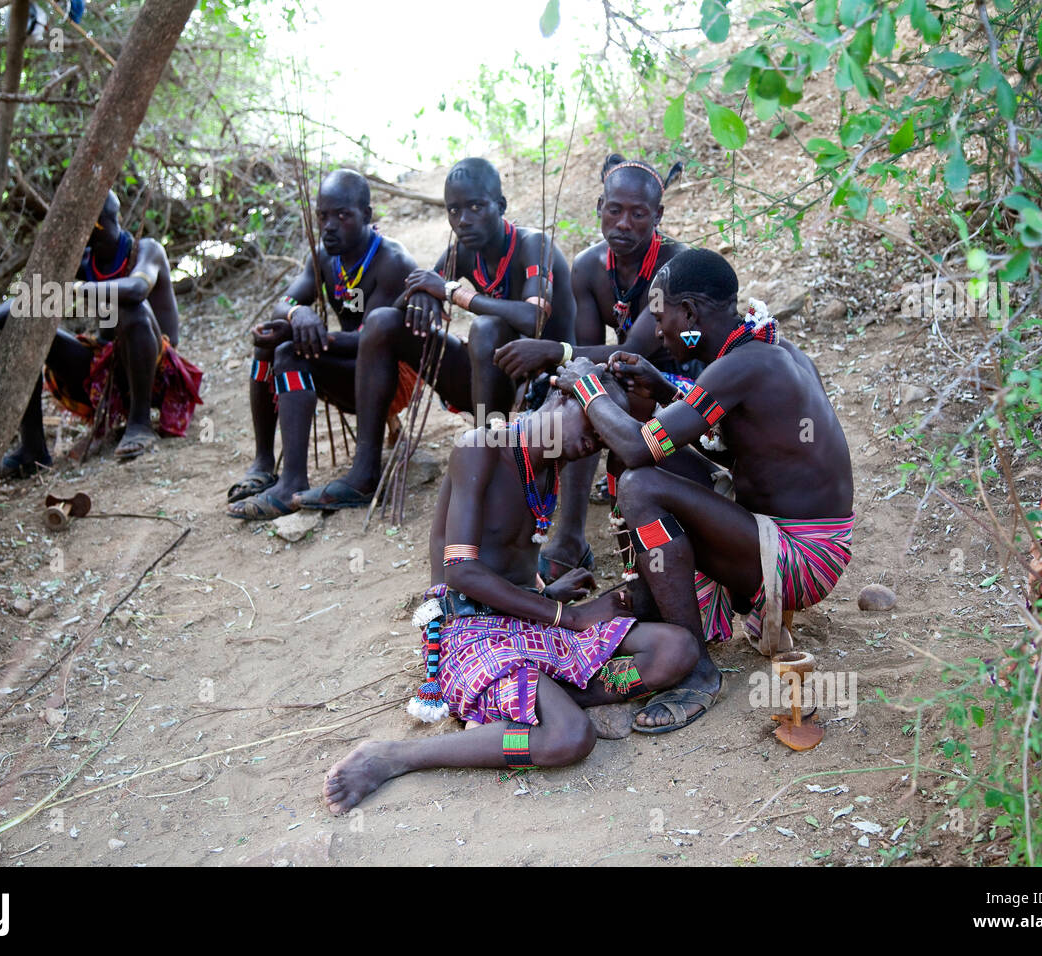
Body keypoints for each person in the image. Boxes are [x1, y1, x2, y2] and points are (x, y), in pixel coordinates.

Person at [321, 387, 697, 813]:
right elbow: (459, 571)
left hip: (528, 617)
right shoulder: (481, 447)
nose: (594, 442)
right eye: (591, 422)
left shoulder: (549, 468)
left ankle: (538, 701)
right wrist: (567, 615)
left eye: (604, 437)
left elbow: (511, 565)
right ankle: (396, 756)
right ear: (558, 398)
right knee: (568, 738)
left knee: (676, 650)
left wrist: (547, 594)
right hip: (471, 631)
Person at [554, 248, 854, 734]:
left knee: (639, 482)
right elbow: (742, 438)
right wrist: (664, 387)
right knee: (652, 464)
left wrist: (589, 388)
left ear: (690, 313)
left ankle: (694, 670)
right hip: (777, 535)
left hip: (801, 557)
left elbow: (636, 448)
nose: (658, 333)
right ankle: (658, 605)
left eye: (661, 318)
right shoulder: (761, 352)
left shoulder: (744, 365)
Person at [294, 157, 576, 510]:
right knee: (383, 321)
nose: (464, 220)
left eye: (476, 207)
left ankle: (491, 464)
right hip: (492, 384)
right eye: (454, 210)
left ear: (500, 206)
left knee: (486, 328)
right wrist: (422, 297)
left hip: (548, 385)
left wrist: (453, 293)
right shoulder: (461, 251)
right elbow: (410, 297)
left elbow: (533, 316)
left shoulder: (533, 246)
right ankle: (364, 474)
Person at [495, 154, 686, 582]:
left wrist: (553, 352)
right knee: (578, 394)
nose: (623, 223)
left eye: (639, 214)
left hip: (679, 386)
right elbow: (589, 351)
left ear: (658, 215)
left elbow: (635, 348)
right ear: (599, 206)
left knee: (592, 391)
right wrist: (558, 369)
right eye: (614, 210)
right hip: (627, 377)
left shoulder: (673, 266)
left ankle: (577, 541)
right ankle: (566, 539)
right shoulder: (588, 267)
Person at [226, 170, 417, 518]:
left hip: (388, 380)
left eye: (342, 216)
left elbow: (371, 342)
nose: (329, 225)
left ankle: (292, 483)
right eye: (323, 216)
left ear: (367, 217)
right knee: (269, 344)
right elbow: (283, 303)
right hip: (346, 368)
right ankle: (264, 464)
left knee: (290, 350)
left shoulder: (391, 262)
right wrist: (297, 316)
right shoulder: (323, 258)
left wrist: (313, 336)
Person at [0, 190, 201, 471]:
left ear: (96, 224)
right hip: (107, 371)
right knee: (26, 331)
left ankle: (139, 424)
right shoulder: (84, 261)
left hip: (156, 372)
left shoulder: (146, 249)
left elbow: (137, 289)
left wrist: (77, 289)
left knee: (130, 307)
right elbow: (28, 298)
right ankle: (32, 449)